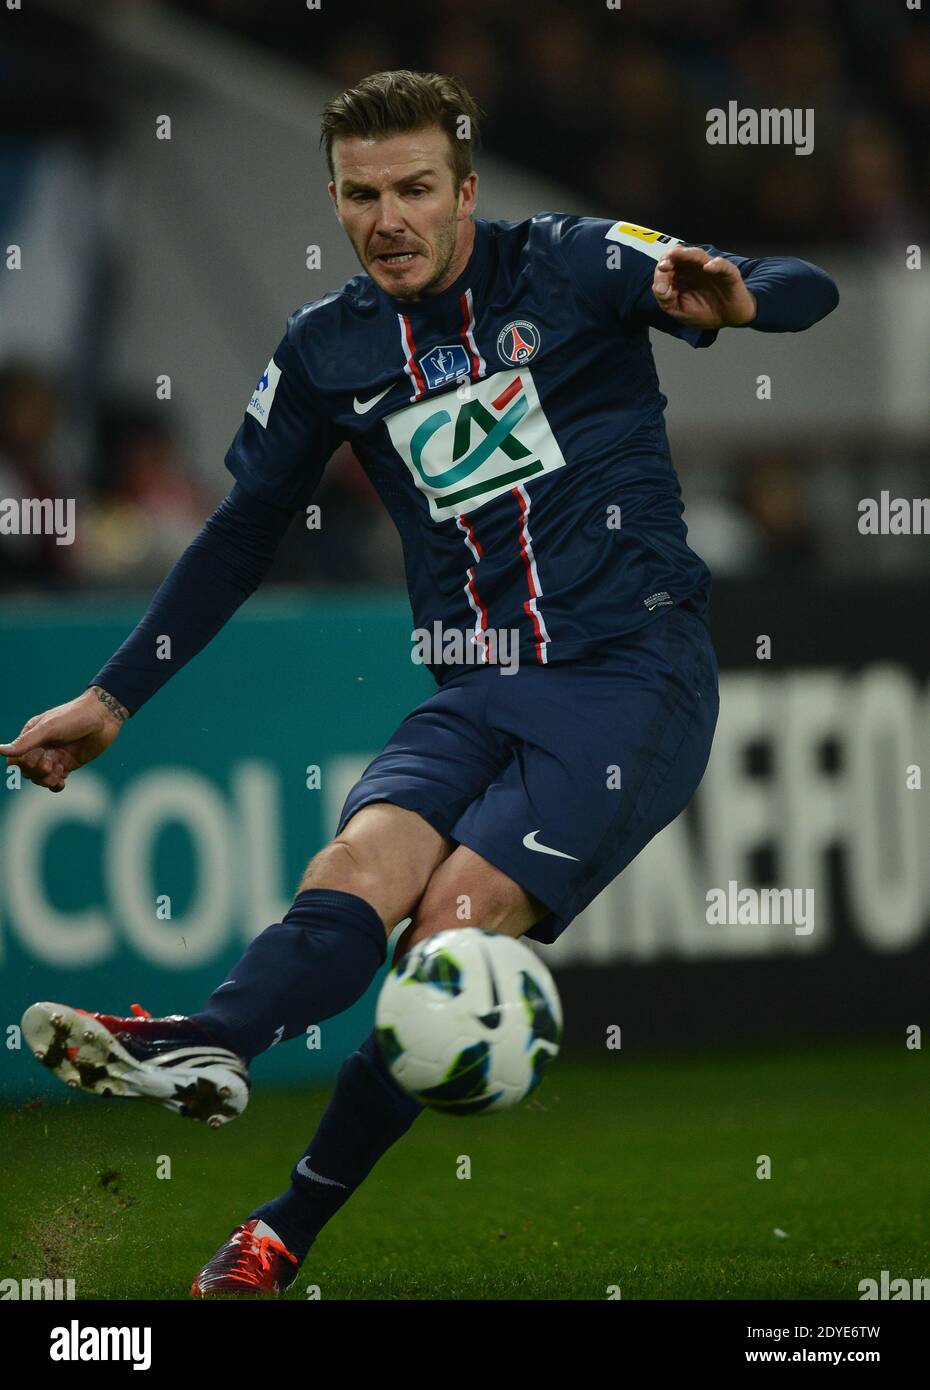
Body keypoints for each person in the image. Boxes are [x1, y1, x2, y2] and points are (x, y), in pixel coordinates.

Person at [1, 69, 839, 1298]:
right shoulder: (329, 348)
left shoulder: (571, 262)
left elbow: (804, 286)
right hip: (469, 687)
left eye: (413, 189)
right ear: (334, 199)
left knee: (448, 937)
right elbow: (241, 533)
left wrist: (746, 296)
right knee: (356, 870)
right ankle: (211, 1044)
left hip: (627, 680)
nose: (387, 217)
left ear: (465, 191)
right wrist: (112, 697)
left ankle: (279, 1231)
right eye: (359, 194)